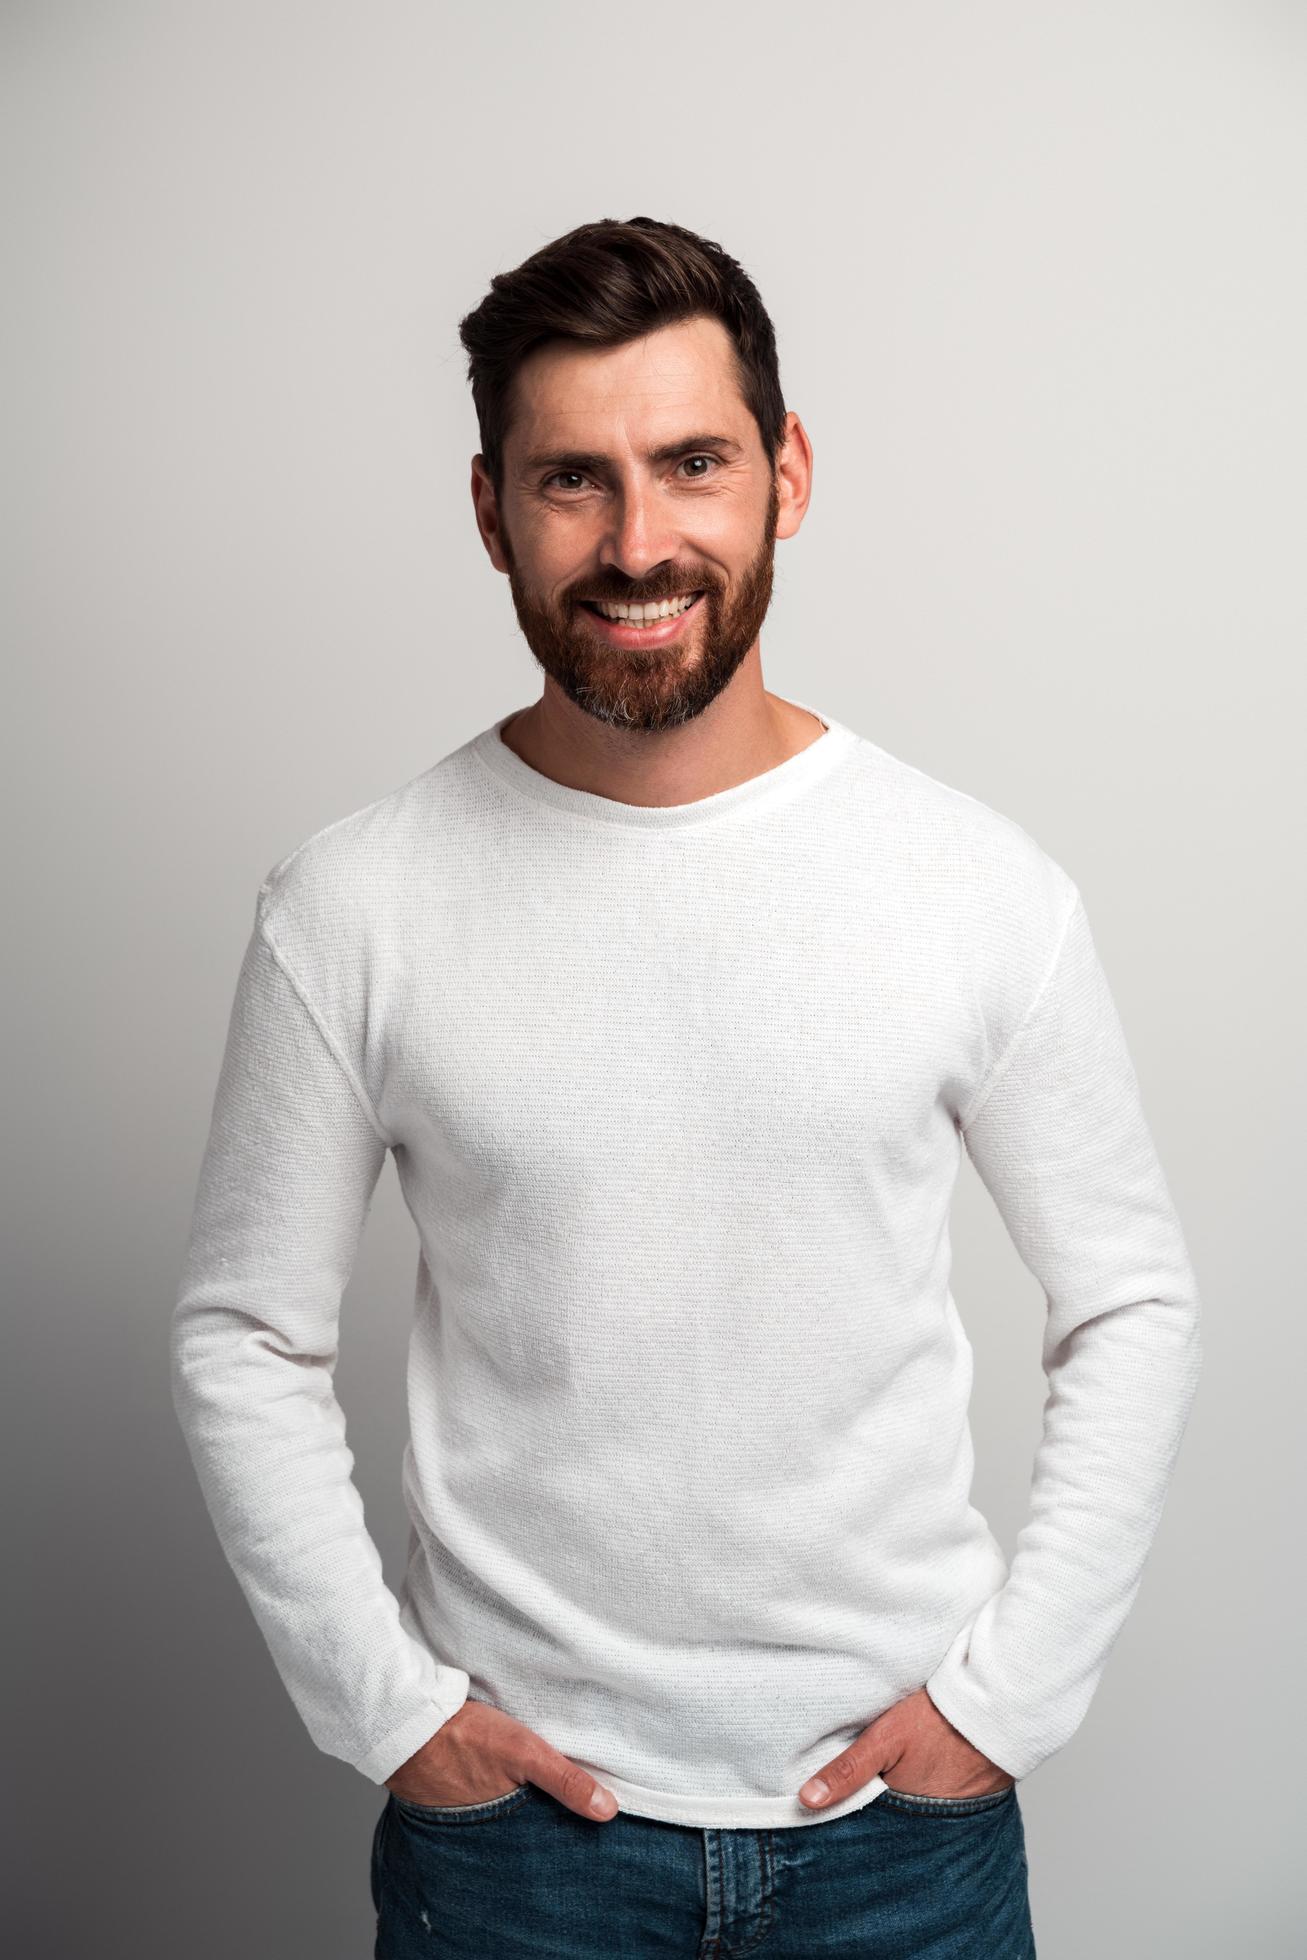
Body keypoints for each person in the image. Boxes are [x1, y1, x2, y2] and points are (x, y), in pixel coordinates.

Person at [170, 215, 1203, 1958]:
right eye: (573, 479)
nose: (640, 543)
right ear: (490, 508)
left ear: (786, 475)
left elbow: (1136, 1297)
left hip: (903, 1848)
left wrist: (1004, 1705)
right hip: (516, 1859)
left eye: (694, 463)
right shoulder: (355, 903)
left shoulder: (975, 888)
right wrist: (390, 1713)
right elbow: (240, 1336)